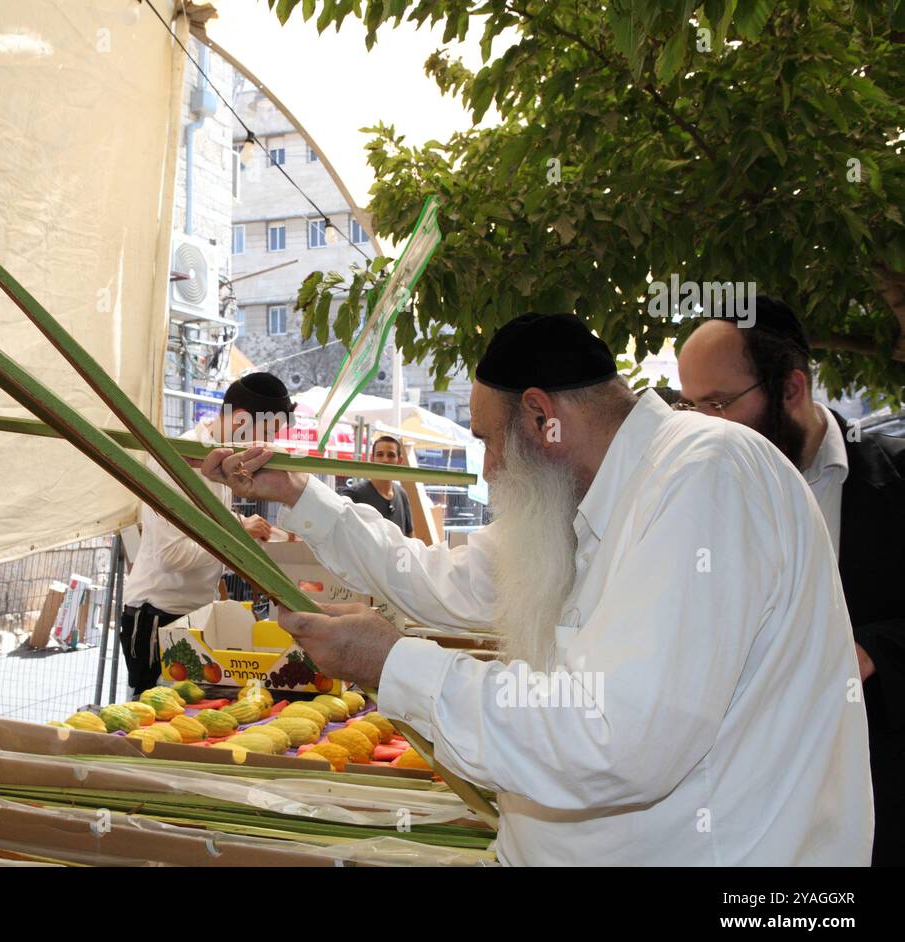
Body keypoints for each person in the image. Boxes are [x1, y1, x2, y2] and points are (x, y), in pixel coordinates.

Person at [202, 312, 873, 866]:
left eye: (488, 440)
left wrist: (389, 661)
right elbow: (444, 583)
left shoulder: (706, 475)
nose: (489, 470)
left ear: (540, 415)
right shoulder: (590, 495)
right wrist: (301, 496)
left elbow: (614, 738)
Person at [678, 296, 904, 866]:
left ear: (791, 390)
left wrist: (873, 650)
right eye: (691, 407)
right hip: (739, 807)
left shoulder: (896, 480)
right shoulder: (693, 492)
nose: (703, 428)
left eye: (719, 404)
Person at [118, 372, 293, 697]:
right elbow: (174, 555)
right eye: (265, 435)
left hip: (196, 610)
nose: (266, 448)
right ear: (240, 420)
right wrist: (239, 531)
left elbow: (205, 526)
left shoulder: (221, 464)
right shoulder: (179, 464)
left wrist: (242, 528)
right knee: (151, 725)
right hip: (159, 614)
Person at [342, 436, 413, 536]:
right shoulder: (354, 495)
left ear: (400, 460)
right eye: (380, 454)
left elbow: (409, 536)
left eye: (391, 455)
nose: (385, 460)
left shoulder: (402, 494)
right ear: (372, 459)